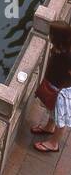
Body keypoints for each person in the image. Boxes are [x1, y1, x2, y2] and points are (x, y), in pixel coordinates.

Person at [33, 23, 71, 153]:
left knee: (61, 118)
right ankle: (49, 127)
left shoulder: (68, 54)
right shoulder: (59, 49)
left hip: (63, 90)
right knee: (53, 110)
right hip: (55, 85)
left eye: (51, 34)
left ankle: (53, 143)